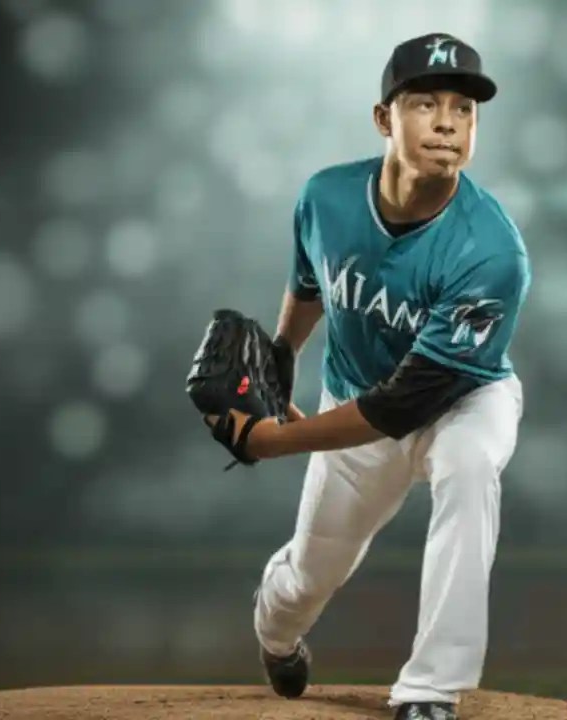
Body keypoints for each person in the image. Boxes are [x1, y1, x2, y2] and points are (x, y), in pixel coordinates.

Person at [203, 32, 530, 720]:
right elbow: (308, 283)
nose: (448, 122)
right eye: (426, 103)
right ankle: (277, 633)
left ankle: (430, 689)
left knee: (470, 467)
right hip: (354, 397)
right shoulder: (325, 197)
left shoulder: (492, 251)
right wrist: (282, 356)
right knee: (306, 581)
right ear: (384, 119)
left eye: (465, 110)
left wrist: (267, 440)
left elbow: (402, 405)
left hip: (463, 400)